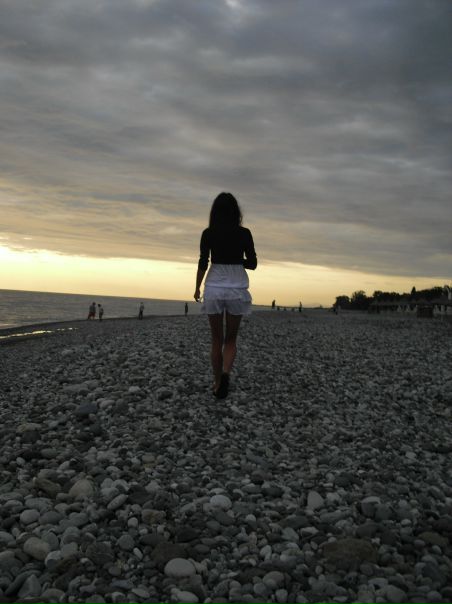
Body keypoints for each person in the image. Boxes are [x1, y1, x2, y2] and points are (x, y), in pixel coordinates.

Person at [194, 192, 257, 399]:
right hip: (237, 289)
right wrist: (237, 260)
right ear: (236, 212)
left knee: (216, 339)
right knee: (230, 339)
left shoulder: (208, 233)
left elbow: (203, 262)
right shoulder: (245, 233)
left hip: (214, 287)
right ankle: (226, 373)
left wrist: (197, 288)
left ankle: (217, 383)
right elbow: (253, 264)